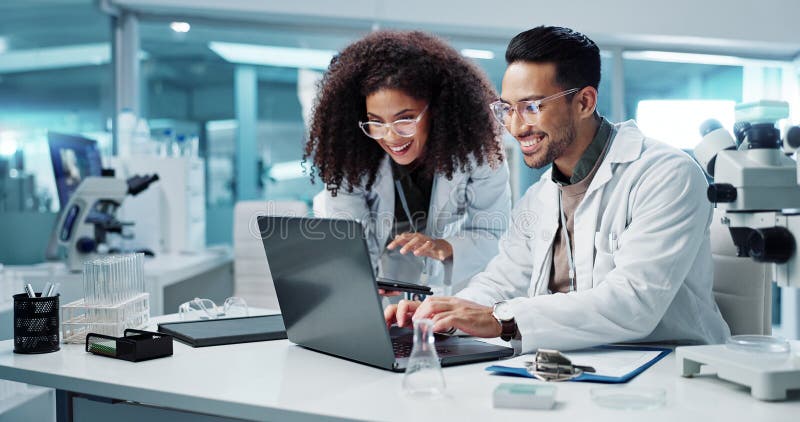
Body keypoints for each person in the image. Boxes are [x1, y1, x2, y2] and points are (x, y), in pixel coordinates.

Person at [385, 26, 730, 353]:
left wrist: (500, 320)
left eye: (532, 107)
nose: (515, 126)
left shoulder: (667, 175)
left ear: (584, 102)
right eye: (507, 109)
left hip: (667, 368)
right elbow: (502, 282)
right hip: (569, 365)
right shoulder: (539, 197)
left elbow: (633, 303)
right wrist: (445, 316)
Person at [304, 30, 511, 295]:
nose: (390, 136)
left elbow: (493, 232)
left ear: (435, 110)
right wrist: (363, 277)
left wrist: (444, 247)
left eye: (404, 120)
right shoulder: (350, 161)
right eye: (376, 122)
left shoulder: (478, 154)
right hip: (387, 272)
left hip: (454, 276)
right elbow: (350, 244)